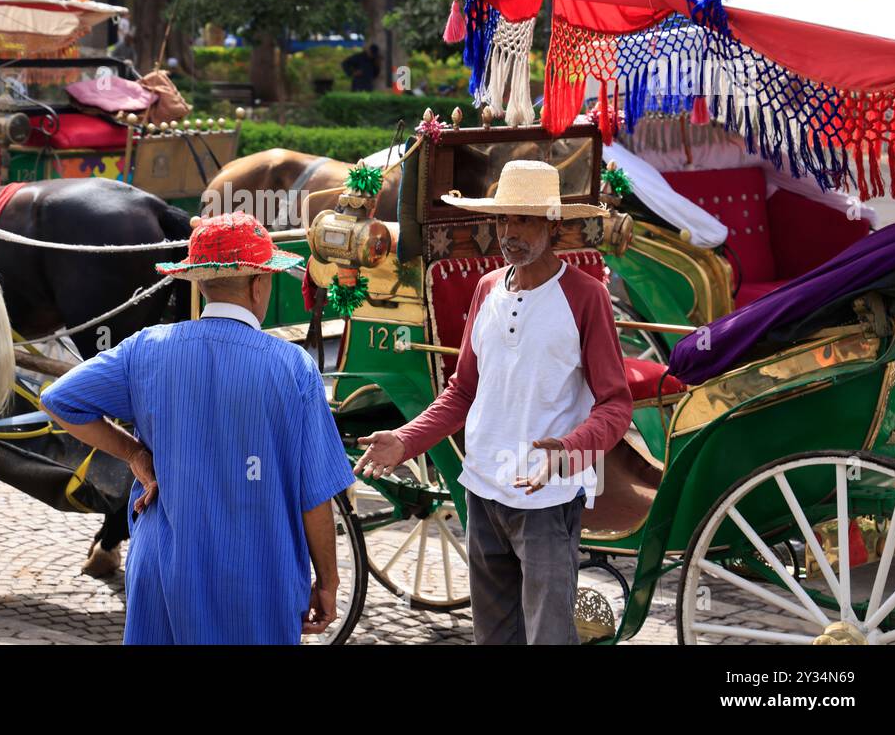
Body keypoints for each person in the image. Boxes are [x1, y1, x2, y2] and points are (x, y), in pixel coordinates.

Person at [39, 211, 355, 644]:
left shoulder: (146, 348)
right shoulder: (292, 367)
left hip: (165, 571)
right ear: (258, 283)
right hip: (259, 578)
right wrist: (329, 582)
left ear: (200, 283)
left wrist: (134, 453)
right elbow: (315, 495)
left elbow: (59, 400)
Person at [355, 160, 633, 645]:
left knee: (549, 636)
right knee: (493, 636)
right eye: (504, 219)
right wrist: (405, 440)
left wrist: (568, 451)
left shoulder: (586, 297)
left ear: (553, 225)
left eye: (524, 219)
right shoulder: (487, 289)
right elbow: (462, 391)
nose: (510, 231)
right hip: (482, 489)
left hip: (547, 497)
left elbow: (615, 405)